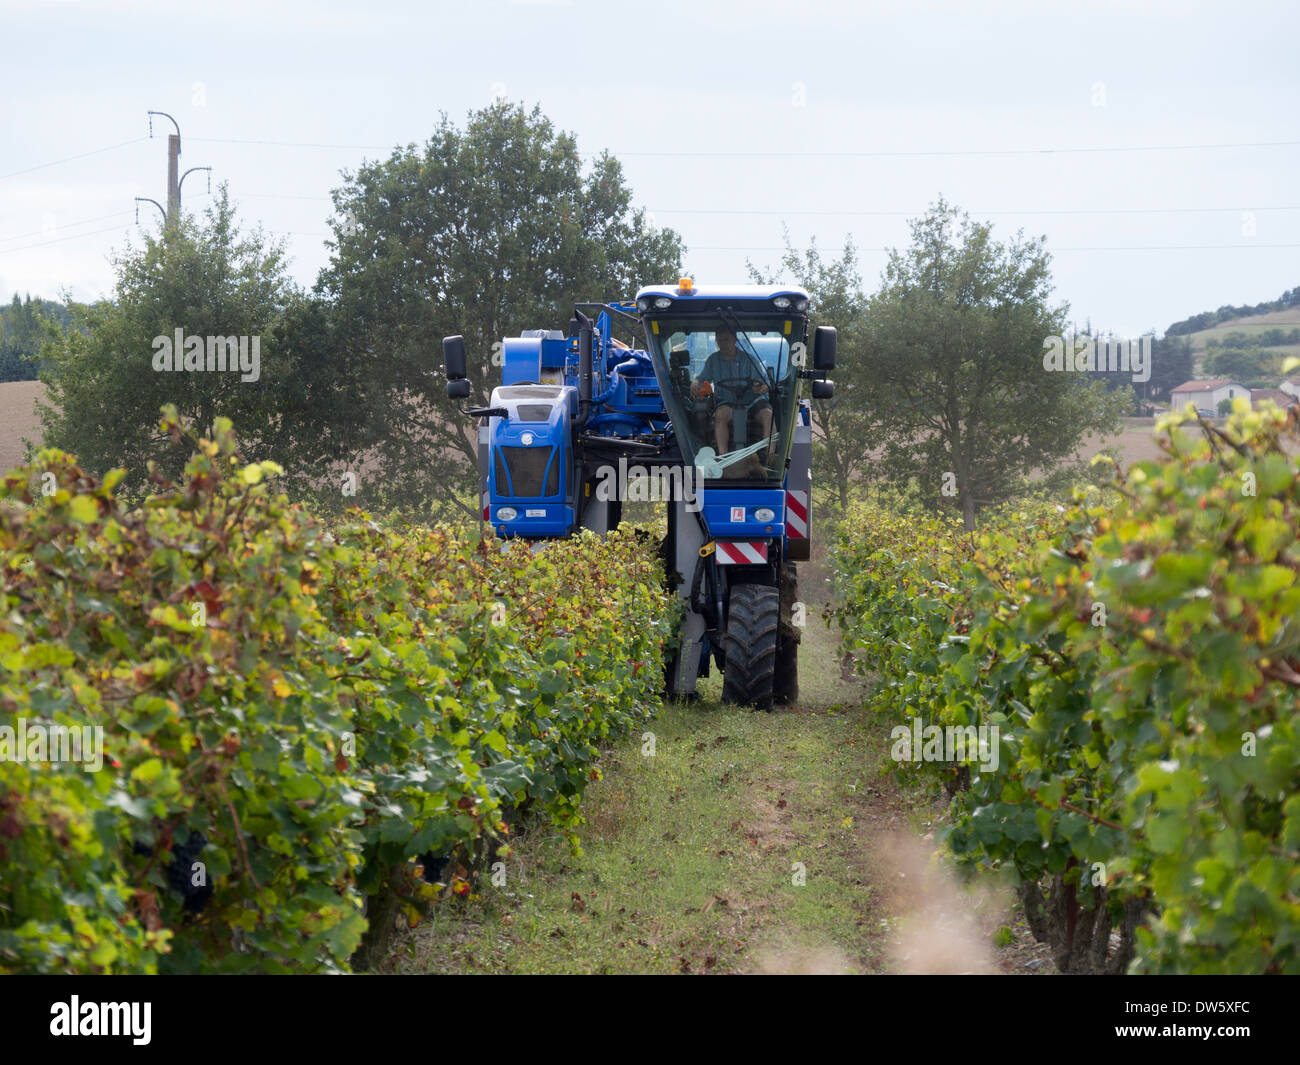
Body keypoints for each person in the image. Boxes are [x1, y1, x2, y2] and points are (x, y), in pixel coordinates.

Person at [691, 327, 773, 461]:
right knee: (720, 415)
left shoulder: (749, 359)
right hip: (727, 401)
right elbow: (701, 378)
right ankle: (724, 458)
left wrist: (762, 387)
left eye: (726, 340)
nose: (723, 343)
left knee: (769, 415)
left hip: (752, 400)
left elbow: (763, 382)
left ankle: (770, 456)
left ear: (734, 340)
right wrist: (695, 382)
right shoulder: (713, 360)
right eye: (719, 341)